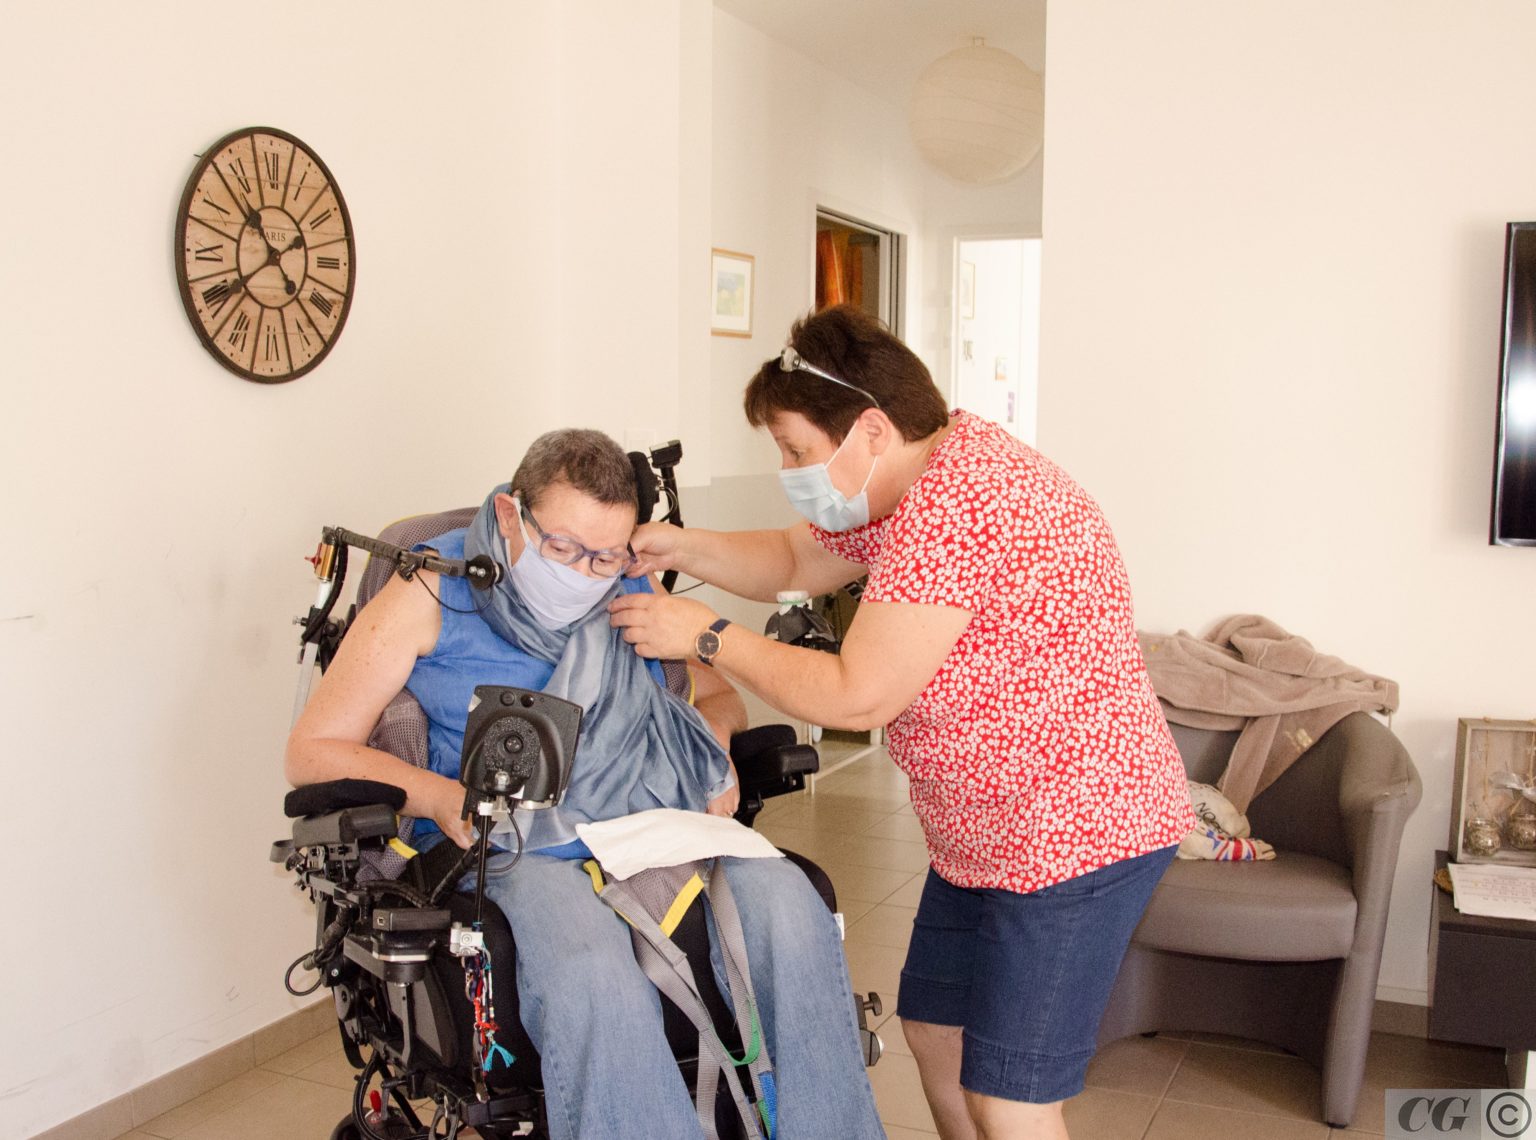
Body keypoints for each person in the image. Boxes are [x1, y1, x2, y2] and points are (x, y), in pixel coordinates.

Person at [610, 306, 1195, 1140]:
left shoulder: (958, 504)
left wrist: (703, 634)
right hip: (985, 833)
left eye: (796, 451)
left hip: (1072, 831)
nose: (788, 470)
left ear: (872, 428)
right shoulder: (927, 467)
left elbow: (858, 696)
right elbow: (795, 559)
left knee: (1012, 1097)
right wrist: (681, 547)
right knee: (936, 1035)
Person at [286, 428, 883, 1140]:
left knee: (791, 910)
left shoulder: (627, 587)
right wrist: (435, 794)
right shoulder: (429, 592)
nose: (585, 572)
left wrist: (711, 751)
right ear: (511, 516)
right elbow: (313, 752)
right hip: (508, 841)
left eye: (605, 555)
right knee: (590, 971)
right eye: (564, 549)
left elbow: (718, 700)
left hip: (649, 823)